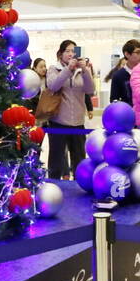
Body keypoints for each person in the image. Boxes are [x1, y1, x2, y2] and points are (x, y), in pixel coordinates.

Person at [44, 40, 94, 180]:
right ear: (61, 54)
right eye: (67, 51)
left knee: (79, 159)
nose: (71, 54)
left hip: (78, 122)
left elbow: (90, 90)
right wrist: (68, 70)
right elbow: (53, 86)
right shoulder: (54, 68)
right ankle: (53, 184)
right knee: (56, 160)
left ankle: (79, 186)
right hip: (58, 122)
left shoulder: (82, 70)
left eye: (73, 51)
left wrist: (85, 71)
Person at [105, 40, 140, 106]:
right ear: (127, 54)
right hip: (128, 113)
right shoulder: (118, 75)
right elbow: (114, 100)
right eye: (138, 52)